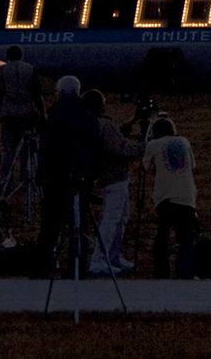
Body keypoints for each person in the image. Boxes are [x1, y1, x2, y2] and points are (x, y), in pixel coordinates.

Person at [35, 75, 101, 276]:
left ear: (61, 93)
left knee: (50, 226)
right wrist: (91, 175)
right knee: (78, 225)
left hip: (56, 178)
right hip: (81, 179)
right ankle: (77, 267)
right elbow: (95, 150)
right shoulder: (89, 117)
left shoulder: (55, 115)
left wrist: (42, 173)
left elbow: (47, 148)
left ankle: (43, 267)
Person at [82, 89, 144, 276]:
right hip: (115, 178)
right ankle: (100, 259)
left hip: (109, 177)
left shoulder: (93, 123)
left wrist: (127, 126)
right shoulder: (104, 125)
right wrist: (144, 146)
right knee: (111, 219)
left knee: (121, 218)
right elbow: (121, 151)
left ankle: (114, 256)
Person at [143, 116, 197, 279]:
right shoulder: (184, 141)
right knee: (186, 236)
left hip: (165, 196)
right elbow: (192, 165)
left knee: (163, 235)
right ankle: (185, 270)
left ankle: (161, 272)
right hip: (187, 195)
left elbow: (145, 167)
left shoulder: (153, 145)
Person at [0, 45, 45, 185]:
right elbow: (37, 95)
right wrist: (43, 114)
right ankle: (25, 178)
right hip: (26, 115)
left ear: (7, 56)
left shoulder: (1, 70)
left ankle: (7, 178)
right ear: (21, 55)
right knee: (26, 148)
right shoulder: (30, 69)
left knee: (8, 149)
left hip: (8, 114)